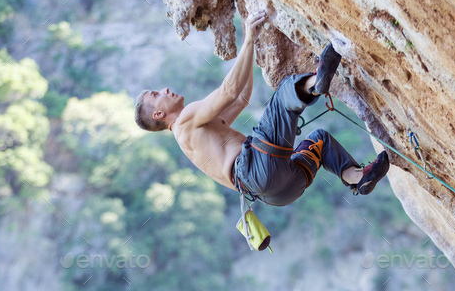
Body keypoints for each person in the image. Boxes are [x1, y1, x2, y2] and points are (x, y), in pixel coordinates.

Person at [134, 11, 389, 206]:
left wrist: (253, 47)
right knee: (283, 97)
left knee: (319, 141)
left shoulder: (192, 133)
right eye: (157, 94)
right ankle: (315, 82)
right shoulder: (185, 119)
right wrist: (248, 40)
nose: (165, 90)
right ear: (159, 115)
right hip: (256, 169)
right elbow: (228, 91)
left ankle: (357, 177)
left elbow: (241, 97)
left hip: (275, 192)